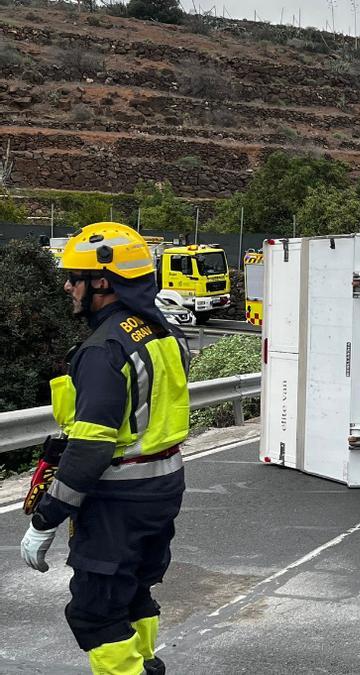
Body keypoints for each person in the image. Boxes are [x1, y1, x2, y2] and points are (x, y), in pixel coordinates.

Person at [20, 222, 190, 675]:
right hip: (162, 487)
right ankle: (147, 665)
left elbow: (92, 448)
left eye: (73, 277)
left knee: (95, 613)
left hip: (118, 499)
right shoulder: (157, 332)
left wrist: (45, 519)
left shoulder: (103, 348)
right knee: (134, 591)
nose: (66, 285)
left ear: (102, 282)